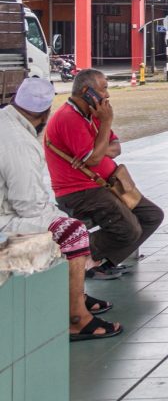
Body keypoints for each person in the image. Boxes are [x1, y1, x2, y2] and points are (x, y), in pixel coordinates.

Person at [0, 78, 122, 341]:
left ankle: (76, 294)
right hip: (5, 220)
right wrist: (55, 216)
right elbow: (28, 205)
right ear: (45, 113)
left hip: (9, 211)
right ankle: (76, 318)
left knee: (62, 219)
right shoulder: (18, 142)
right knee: (73, 231)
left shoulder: (8, 123)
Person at [44, 69, 164, 280]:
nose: (107, 95)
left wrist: (98, 148)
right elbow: (93, 160)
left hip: (109, 183)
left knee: (152, 216)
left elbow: (115, 147)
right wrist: (106, 124)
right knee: (129, 229)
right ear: (86, 91)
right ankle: (72, 254)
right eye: (104, 88)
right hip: (80, 191)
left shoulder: (94, 113)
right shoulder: (69, 118)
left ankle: (101, 261)